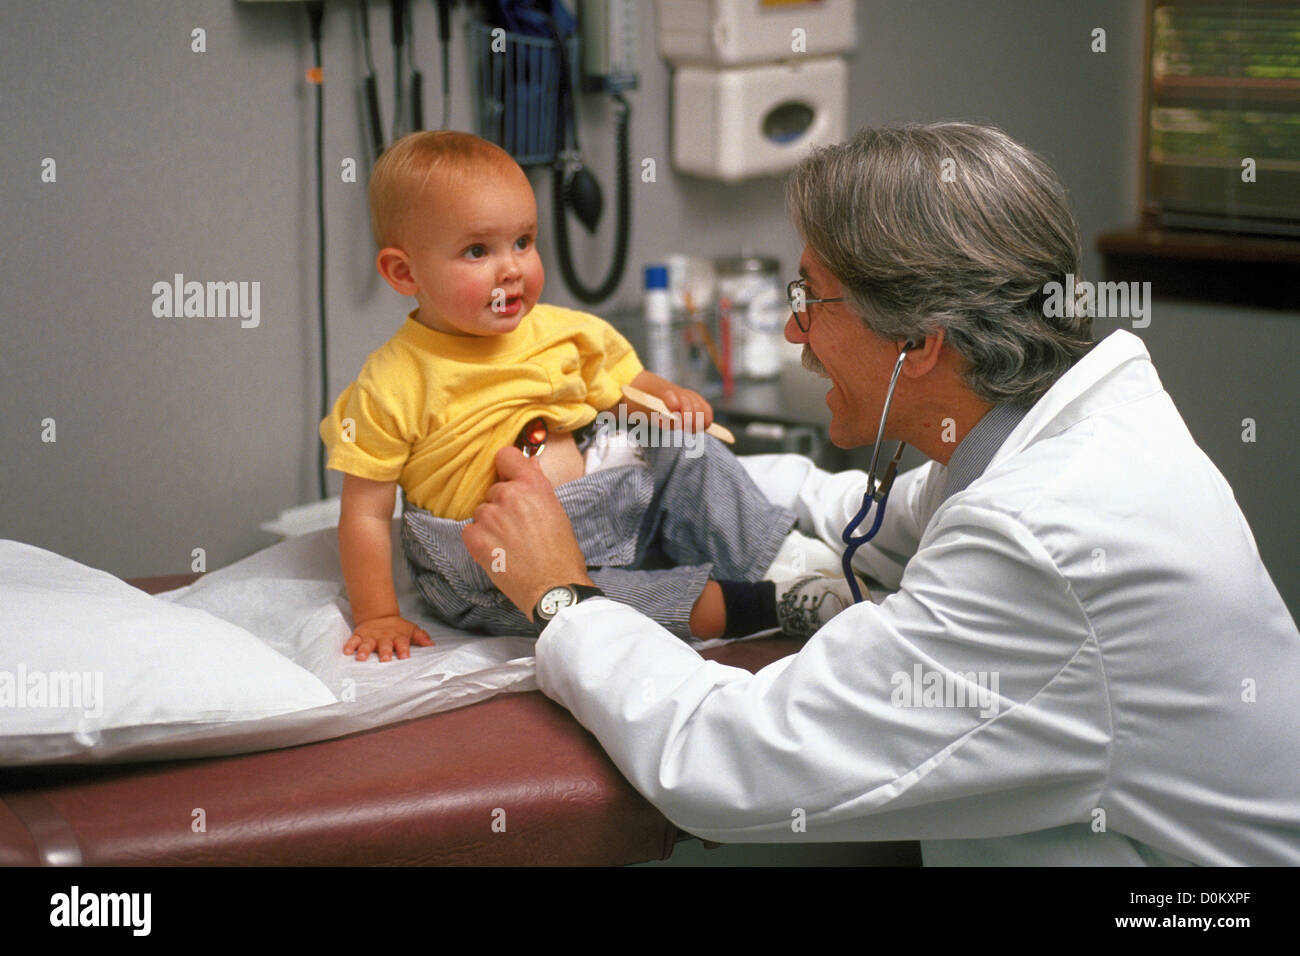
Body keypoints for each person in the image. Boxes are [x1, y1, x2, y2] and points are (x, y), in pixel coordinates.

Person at [461, 122, 1300, 865]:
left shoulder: (1041, 539)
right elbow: (866, 515)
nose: (793, 330)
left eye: (810, 299)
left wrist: (560, 596)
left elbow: (726, 761)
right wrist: (645, 475)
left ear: (918, 342)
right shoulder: (1041, 440)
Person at [320, 131, 858, 662]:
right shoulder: (392, 382)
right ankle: (770, 605)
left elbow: (629, 392)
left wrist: (668, 399)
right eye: (477, 250)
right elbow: (366, 513)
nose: (512, 267)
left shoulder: (566, 332)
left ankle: (779, 555)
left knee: (685, 449)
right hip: (495, 561)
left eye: (524, 242)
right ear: (403, 271)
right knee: (595, 608)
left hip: (607, 502)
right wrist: (377, 614)